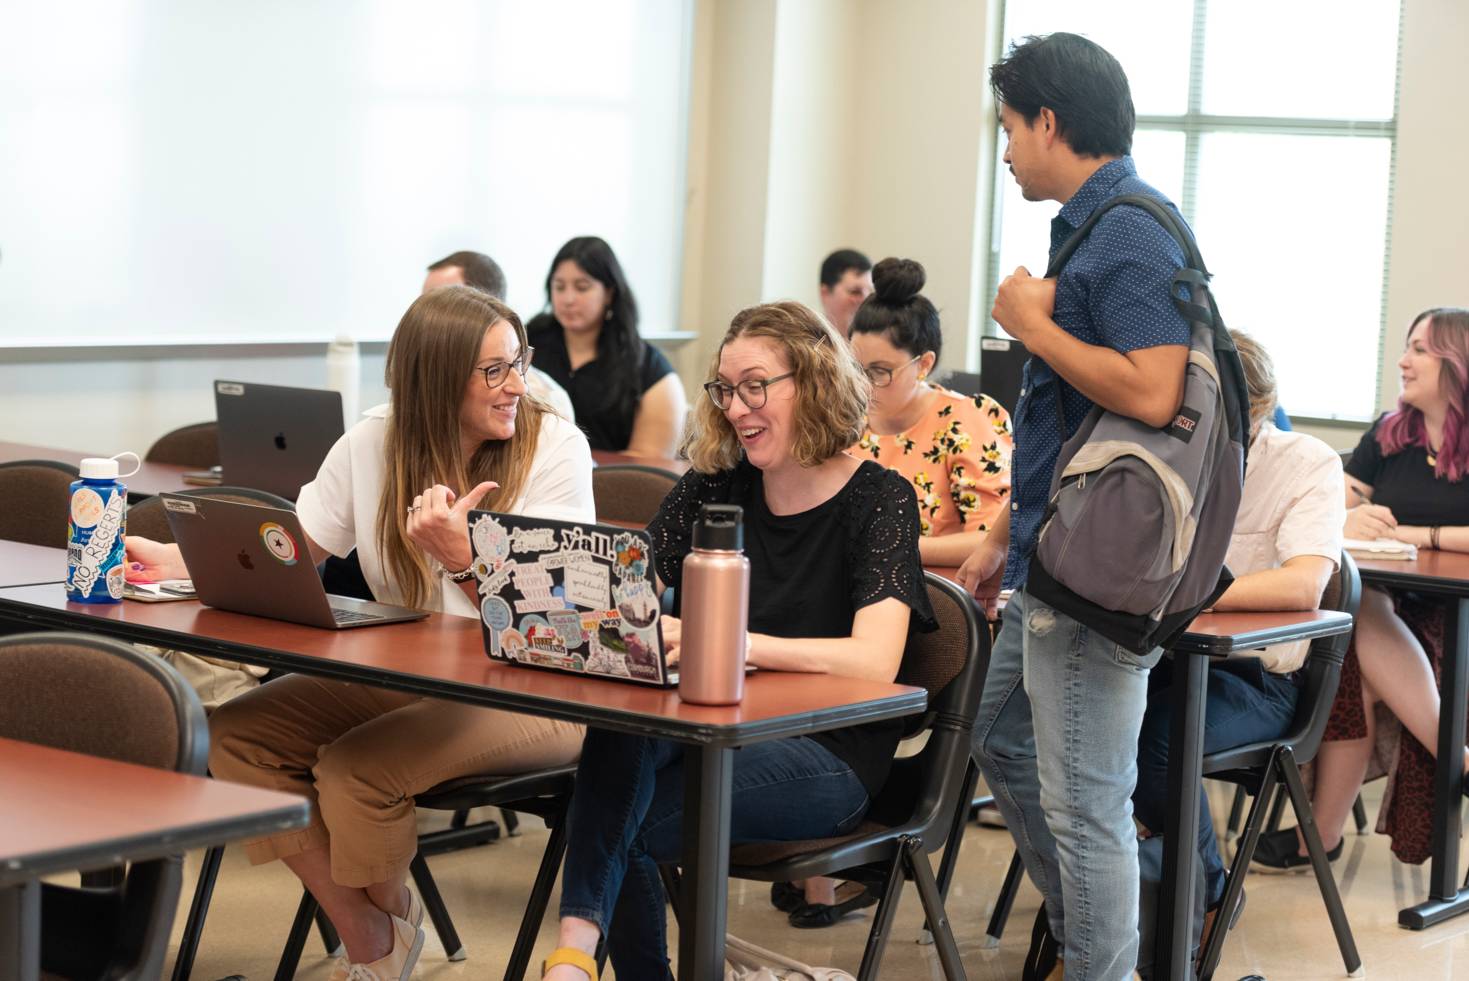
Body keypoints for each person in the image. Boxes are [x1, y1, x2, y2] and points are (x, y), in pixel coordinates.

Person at [126, 286, 592, 980]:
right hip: (410, 672)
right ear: (436, 379)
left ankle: (379, 950)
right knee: (235, 737)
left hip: (536, 687)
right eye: (495, 369)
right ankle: (373, 930)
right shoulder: (376, 438)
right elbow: (294, 547)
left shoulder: (554, 447)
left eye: (517, 362)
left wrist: (462, 559)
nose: (518, 385)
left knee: (356, 771)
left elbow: (551, 625)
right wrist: (173, 562)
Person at [537, 300, 936, 981]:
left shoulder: (880, 499)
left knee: (613, 824)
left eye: (756, 386)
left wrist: (730, 642)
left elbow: (874, 662)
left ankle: (574, 958)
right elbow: (627, 592)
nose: (735, 407)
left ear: (813, 383)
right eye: (725, 389)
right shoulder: (714, 485)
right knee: (621, 736)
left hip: (828, 754)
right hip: (717, 726)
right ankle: (575, 955)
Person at [956, 33, 1195, 979]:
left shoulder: (1131, 230)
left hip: (1095, 570)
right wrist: (1001, 535)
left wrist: (1030, 326)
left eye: (1010, 128)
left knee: (1087, 803)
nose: (1006, 150)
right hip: (1051, 552)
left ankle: (1104, 964)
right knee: (993, 735)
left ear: (1049, 122)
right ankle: (1097, 939)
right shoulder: (1090, 227)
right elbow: (1073, 423)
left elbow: (1153, 392)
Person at [1131, 332, 1343, 959]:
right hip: (1161, 659)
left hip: (1262, 680)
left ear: (1259, 410)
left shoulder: (1306, 462)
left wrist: (1187, 600)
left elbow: (1303, 582)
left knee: (1157, 742)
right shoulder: (1161, 451)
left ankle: (1205, 891)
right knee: (1079, 724)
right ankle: (1128, 885)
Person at [1253, 307, 1469, 871]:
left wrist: (1413, 534)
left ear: (1456, 361)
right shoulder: (1390, 435)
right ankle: (1457, 759)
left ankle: (1320, 836)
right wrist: (1348, 520)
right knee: (1355, 630)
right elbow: (1332, 503)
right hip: (1395, 607)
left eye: (1420, 349)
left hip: (1459, 619)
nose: (1404, 361)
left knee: (1355, 638)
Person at [851, 256, 1013, 566]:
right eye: (855, 369)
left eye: (880, 371)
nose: (864, 385)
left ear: (924, 364)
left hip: (935, 590)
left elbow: (992, 540)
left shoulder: (965, 423)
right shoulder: (846, 423)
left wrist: (890, 546)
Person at [525, 236, 686, 456]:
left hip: (610, 477)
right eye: (559, 287)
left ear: (609, 293)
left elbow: (648, 463)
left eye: (582, 287)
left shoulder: (648, 367)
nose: (568, 299)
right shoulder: (528, 342)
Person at [423, 250, 575, 421]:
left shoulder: (549, 401)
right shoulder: (419, 381)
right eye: (424, 303)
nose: (427, 317)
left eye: (444, 304)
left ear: (488, 304)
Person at [818, 248, 874, 338]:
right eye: (855, 292)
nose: (866, 301)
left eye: (871, 293)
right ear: (825, 294)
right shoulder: (806, 343)